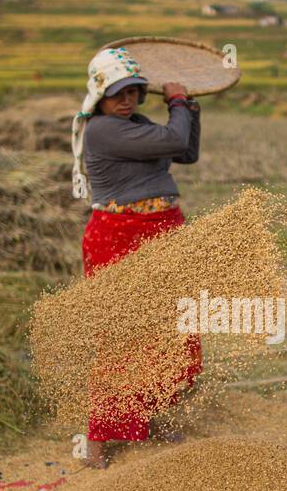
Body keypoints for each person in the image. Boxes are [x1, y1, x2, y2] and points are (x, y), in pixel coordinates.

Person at [70, 46, 202, 469]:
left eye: (134, 92)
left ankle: (148, 417)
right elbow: (175, 138)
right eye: (117, 94)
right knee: (122, 336)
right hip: (118, 237)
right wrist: (177, 102)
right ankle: (98, 439)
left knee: (168, 333)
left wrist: (189, 106)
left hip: (161, 233)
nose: (126, 101)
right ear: (99, 97)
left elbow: (186, 151)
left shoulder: (138, 123)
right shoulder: (102, 130)